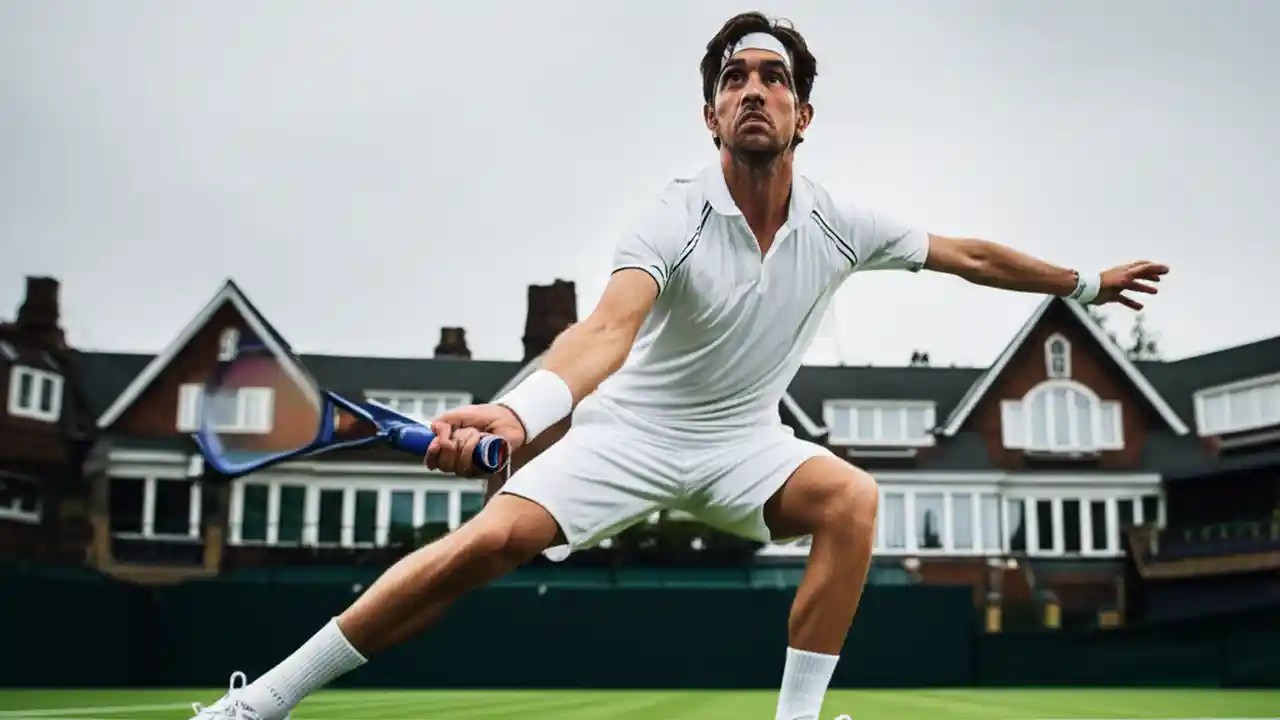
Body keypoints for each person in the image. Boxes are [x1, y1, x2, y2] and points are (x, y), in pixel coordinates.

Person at [189, 11, 1168, 720]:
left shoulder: (840, 221)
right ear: (711, 115)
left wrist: (1083, 282)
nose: (754, 90)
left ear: (803, 114)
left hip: (745, 444)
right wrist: (520, 416)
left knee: (852, 500)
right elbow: (605, 332)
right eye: (735, 79)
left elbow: (968, 255)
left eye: (773, 77)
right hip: (627, 435)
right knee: (481, 547)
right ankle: (260, 703)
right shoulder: (671, 213)